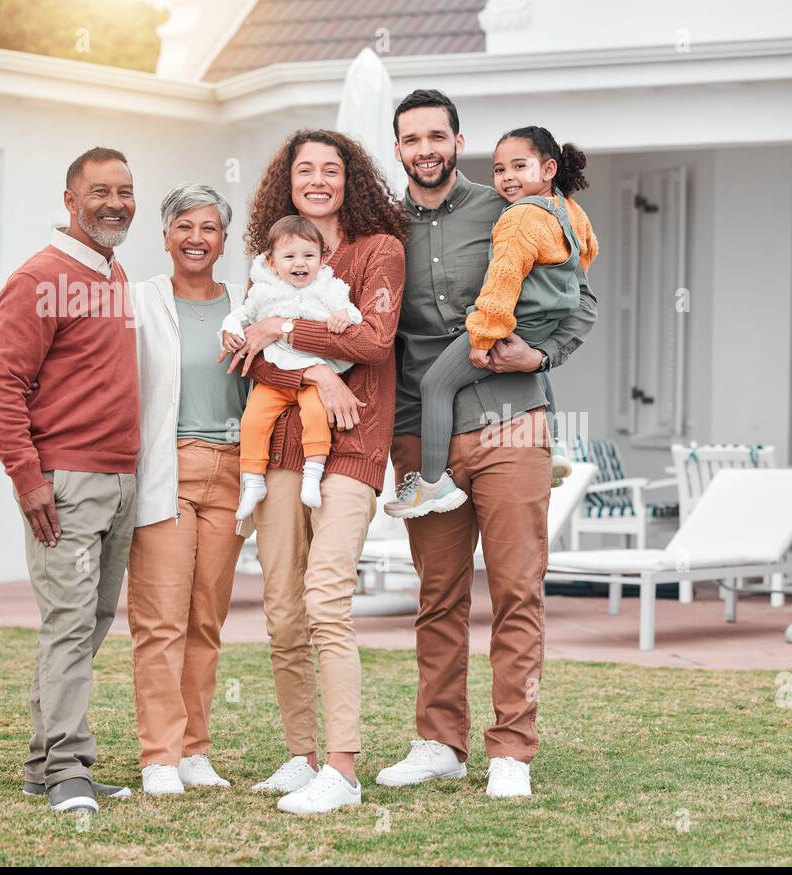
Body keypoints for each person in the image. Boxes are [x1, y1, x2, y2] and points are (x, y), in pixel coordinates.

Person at [376, 91, 597, 798]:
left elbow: (579, 297)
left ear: (456, 139)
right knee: (437, 597)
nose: (425, 149)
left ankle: (512, 749)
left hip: (512, 422)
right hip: (422, 434)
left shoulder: (509, 209)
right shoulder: (381, 229)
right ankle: (440, 741)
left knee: (516, 590)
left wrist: (542, 356)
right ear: (398, 148)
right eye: (411, 139)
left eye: (437, 135)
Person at [222, 129, 407, 814]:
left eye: (333, 169)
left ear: (351, 179)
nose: (319, 179)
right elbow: (249, 358)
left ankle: (343, 769)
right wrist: (318, 366)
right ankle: (301, 755)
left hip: (352, 447)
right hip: (277, 452)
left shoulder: (377, 251)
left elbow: (374, 341)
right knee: (281, 611)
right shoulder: (269, 262)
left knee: (327, 599)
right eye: (306, 169)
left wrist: (296, 338)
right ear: (287, 181)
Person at [0, 147, 139, 814]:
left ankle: (46, 762)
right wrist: (30, 478)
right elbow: (0, 389)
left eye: (126, 190)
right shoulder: (38, 278)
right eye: (100, 191)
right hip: (64, 483)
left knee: (91, 621)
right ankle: (70, 768)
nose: (116, 202)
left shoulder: (116, 273)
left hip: (121, 478)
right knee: (69, 625)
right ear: (70, 200)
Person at [386, 125, 598, 519]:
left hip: (505, 331)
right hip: (541, 323)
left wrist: (482, 337)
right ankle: (554, 447)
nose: (507, 178)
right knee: (539, 370)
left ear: (548, 168)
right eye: (500, 170)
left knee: (435, 382)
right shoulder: (566, 208)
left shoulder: (514, 217)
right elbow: (586, 251)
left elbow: (501, 282)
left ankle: (432, 484)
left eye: (520, 166)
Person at [127, 183, 247, 797]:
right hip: (167, 470)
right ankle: (159, 756)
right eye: (185, 227)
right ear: (166, 234)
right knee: (161, 620)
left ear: (225, 240)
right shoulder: (140, 300)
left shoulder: (247, 303)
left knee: (207, 618)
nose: (197, 239)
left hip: (231, 470)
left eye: (209, 228)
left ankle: (195, 750)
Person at [223, 215, 361, 520]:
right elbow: (242, 315)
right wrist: (230, 328)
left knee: (316, 415)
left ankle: (312, 475)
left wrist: (342, 315)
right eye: (290, 257)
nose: (300, 263)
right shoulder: (264, 290)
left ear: (322, 260)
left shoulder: (328, 287)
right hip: (277, 374)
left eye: (309, 256)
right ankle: (253, 480)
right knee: (253, 420)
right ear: (272, 263)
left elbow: (352, 313)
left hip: (313, 372)